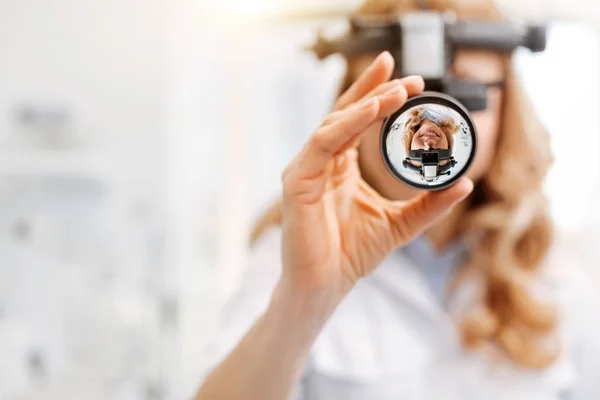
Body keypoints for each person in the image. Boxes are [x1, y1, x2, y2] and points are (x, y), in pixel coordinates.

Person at [196, 0, 600, 399]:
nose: (429, 119)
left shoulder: (555, 271)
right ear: (351, 107)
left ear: (507, 110)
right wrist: (303, 301)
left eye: (463, 90)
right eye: (401, 92)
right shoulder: (292, 258)